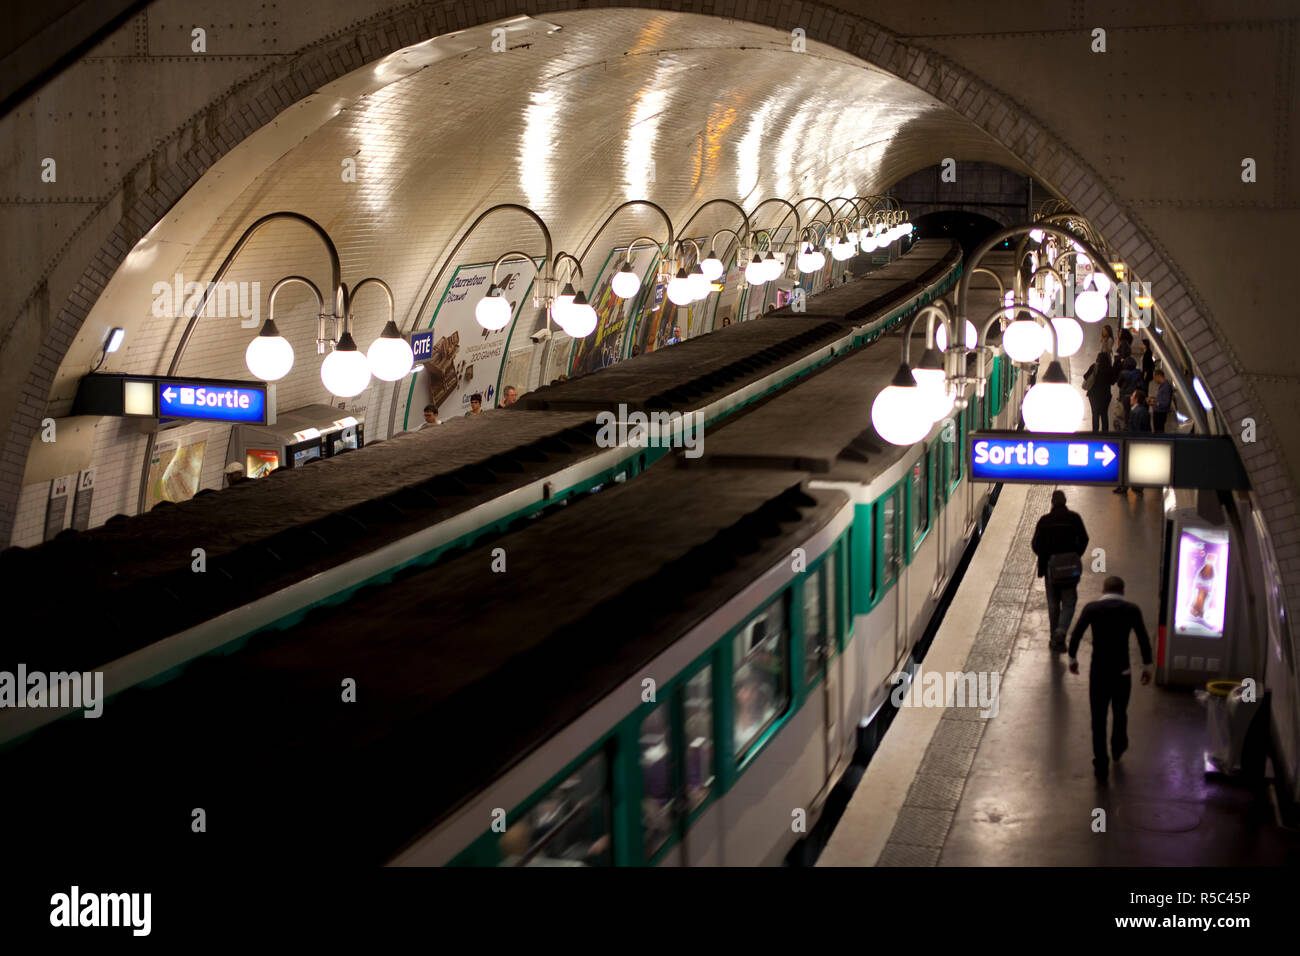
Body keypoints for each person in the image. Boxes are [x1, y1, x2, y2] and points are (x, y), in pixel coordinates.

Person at [1068, 575, 1153, 782]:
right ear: (1122, 591)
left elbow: (1077, 634)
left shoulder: (1092, 609)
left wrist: (1073, 658)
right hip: (1122, 672)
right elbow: (1143, 637)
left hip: (1099, 673)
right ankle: (1118, 745)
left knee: (1098, 719)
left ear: (1103, 590)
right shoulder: (1132, 610)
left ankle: (1101, 764)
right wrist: (1147, 666)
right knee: (1120, 711)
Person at [1031, 490, 1090, 651]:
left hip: (1051, 569)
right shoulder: (1074, 518)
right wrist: (1076, 554)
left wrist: (1047, 558)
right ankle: (1061, 631)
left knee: (1053, 604)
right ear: (1065, 501)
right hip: (1070, 569)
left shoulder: (1044, 521)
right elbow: (1085, 538)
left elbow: (1035, 544)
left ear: (1052, 502)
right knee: (1069, 602)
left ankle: (1054, 639)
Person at [1114, 390, 1151, 496]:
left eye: (1132, 396)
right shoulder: (1142, 411)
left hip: (1134, 443)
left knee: (1127, 464)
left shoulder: (1137, 412)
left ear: (1136, 399)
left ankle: (1126, 487)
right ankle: (1135, 486)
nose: (1130, 398)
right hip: (1140, 443)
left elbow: (1135, 429)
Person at [1083, 350, 1115, 432]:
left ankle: (1095, 432)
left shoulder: (1094, 367)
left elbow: (1085, 376)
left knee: (1095, 414)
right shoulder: (1110, 369)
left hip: (1093, 394)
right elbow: (1113, 381)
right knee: (1104, 414)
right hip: (1106, 395)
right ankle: (1105, 432)